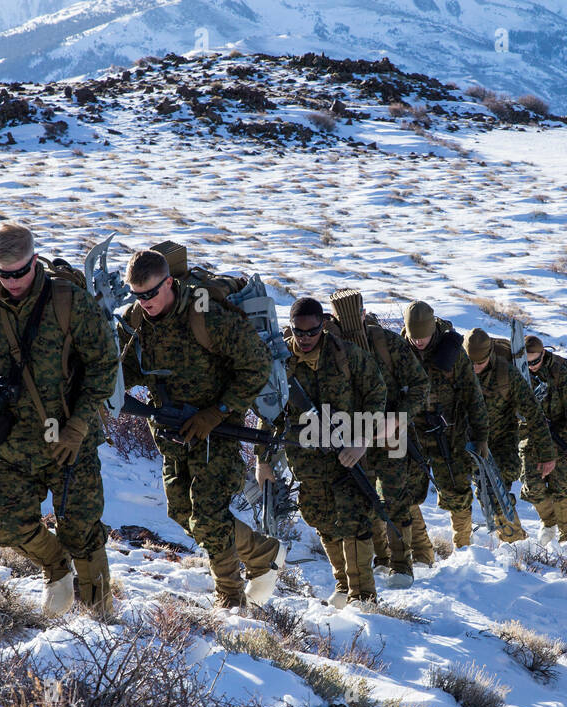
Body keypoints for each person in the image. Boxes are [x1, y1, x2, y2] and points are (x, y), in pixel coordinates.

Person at [0, 221, 118, 616]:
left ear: (34, 261)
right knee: (5, 523)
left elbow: (103, 364)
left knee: (81, 530)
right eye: (2, 273)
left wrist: (79, 425)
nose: (12, 281)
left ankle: (101, 619)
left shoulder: (67, 300)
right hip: (14, 441)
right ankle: (55, 567)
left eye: (20, 272)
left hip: (69, 439)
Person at [116, 247, 283, 609]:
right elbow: (127, 372)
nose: (144, 301)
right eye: (136, 294)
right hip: (171, 432)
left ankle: (230, 597)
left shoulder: (205, 315)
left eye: (150, 293)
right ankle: (263, 552)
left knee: (207, 515)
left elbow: (256, 365)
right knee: (181, 511)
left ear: (169, 283)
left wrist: (218, 411)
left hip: (216, 431)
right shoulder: (137, 321)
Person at [257, 298, 386, 607]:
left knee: (355, 520)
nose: (304, 339)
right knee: (323, 519)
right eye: (298, 333)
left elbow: (377, 395)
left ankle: (364, 595)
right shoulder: (280, 362)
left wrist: (363, 440)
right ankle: (343, 585)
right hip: (307, 458)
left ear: (323, 326)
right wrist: (263, 460)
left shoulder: (347, 356)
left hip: (349, 452)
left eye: (312, 332)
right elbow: (269, 414)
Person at [326, 290, 429, 584]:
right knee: (363, 497)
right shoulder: (329, 347)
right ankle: (381, 559)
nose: (351, 324)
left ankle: (402, 564)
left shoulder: (386, 342)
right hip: (350, 431)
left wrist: (399, 417)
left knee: (397, 496)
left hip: (390, 431)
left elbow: (420, 385)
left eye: (356, 316)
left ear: (363, 313)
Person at [402, 300, 489, 549]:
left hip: (449, 431)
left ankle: (463, 546)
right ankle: (421, 550)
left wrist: (481, 435)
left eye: (424, 336)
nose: (418, 341)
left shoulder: (451, 352)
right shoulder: (398, 350)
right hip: (412, 432)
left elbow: (473, 395)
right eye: (413, 336)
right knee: (404, 492)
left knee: (457, 493)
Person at [464, 328, 555, 544]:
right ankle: (510, 541)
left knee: (498, 492)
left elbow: (533, 412)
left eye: (480, 363)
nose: (475, 368)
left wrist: (546, 453)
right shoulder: (457, 370)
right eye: (471, 363)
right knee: (484, 495)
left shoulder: (507, 374)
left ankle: (514, 543)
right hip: (470, 441)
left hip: (502, 440)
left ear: (490, 356)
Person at [525, 334, 567, 544]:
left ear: (543, 354)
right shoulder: (518, 373)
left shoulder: (558, 373)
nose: (532, 366)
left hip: (559, 433)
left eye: (535, 361)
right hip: (530, 436)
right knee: (532, 485)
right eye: (528, 362)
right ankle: (549, 521)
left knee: (560, 484)